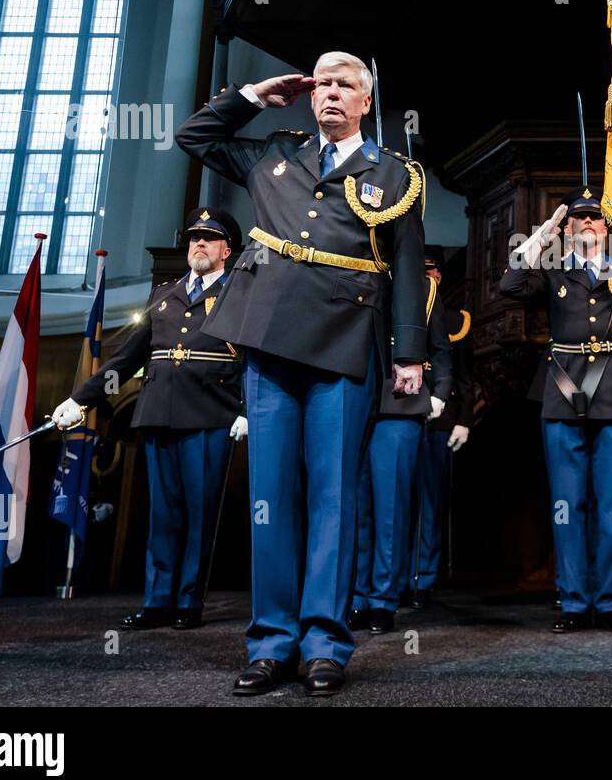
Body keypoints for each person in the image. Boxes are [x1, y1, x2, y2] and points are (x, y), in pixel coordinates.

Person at [174, 52, 426, 697]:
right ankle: (270, 641)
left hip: (344, 342)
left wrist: (409, 356)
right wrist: (256, 94)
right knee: (270, 496)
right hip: (268, 339)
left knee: (335, 498)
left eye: (346, 86)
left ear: (367, 101)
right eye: (322, 85)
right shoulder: (273, 153)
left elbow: (404, 264)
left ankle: (324, 643)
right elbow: (194, 136)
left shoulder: (394, 175)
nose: (331, 94)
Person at [52, 208, 246, 631]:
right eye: (194, 236)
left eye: (209, 238)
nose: (199, 243)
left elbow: (255, 358)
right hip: (160, 413)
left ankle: (187, 601)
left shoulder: (241, 294)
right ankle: (158, 599)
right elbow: (128, 359)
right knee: (163, 514)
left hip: (211, 415)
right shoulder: (163, 294)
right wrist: (81, 400)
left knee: (200, 513)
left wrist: (247, 410)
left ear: (226, 250)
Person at [500, 186, 612, 633]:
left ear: (607, 228)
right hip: (563, 393)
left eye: (596, 218)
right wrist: (540, 236)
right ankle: (572, 600)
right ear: (567, 229)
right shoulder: (553, 272)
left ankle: (608, 602)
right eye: (578, 219)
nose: (588, 223)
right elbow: (509, 283)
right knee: (568, 503)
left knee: (611, 504)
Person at [352, 250, 452, 633]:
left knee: (391, 506)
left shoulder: (423, 288)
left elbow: (440, 348)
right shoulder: (352, 269)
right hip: (352, 393)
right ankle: (356, 596)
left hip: (399, 399)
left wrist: (440, 390)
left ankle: (382, 598)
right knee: (354, 506)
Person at [403, 247, 474, 610]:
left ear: (440, 276)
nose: (426, 276)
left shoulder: (455, 320)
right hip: (399, 414)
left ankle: (421, 578)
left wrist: (463, 421)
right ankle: (395, 576)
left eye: (431, 271)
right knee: (397, 501)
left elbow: (464, 377)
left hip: (438, 421)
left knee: (429, 503)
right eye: (421, 270)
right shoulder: (400, 312)